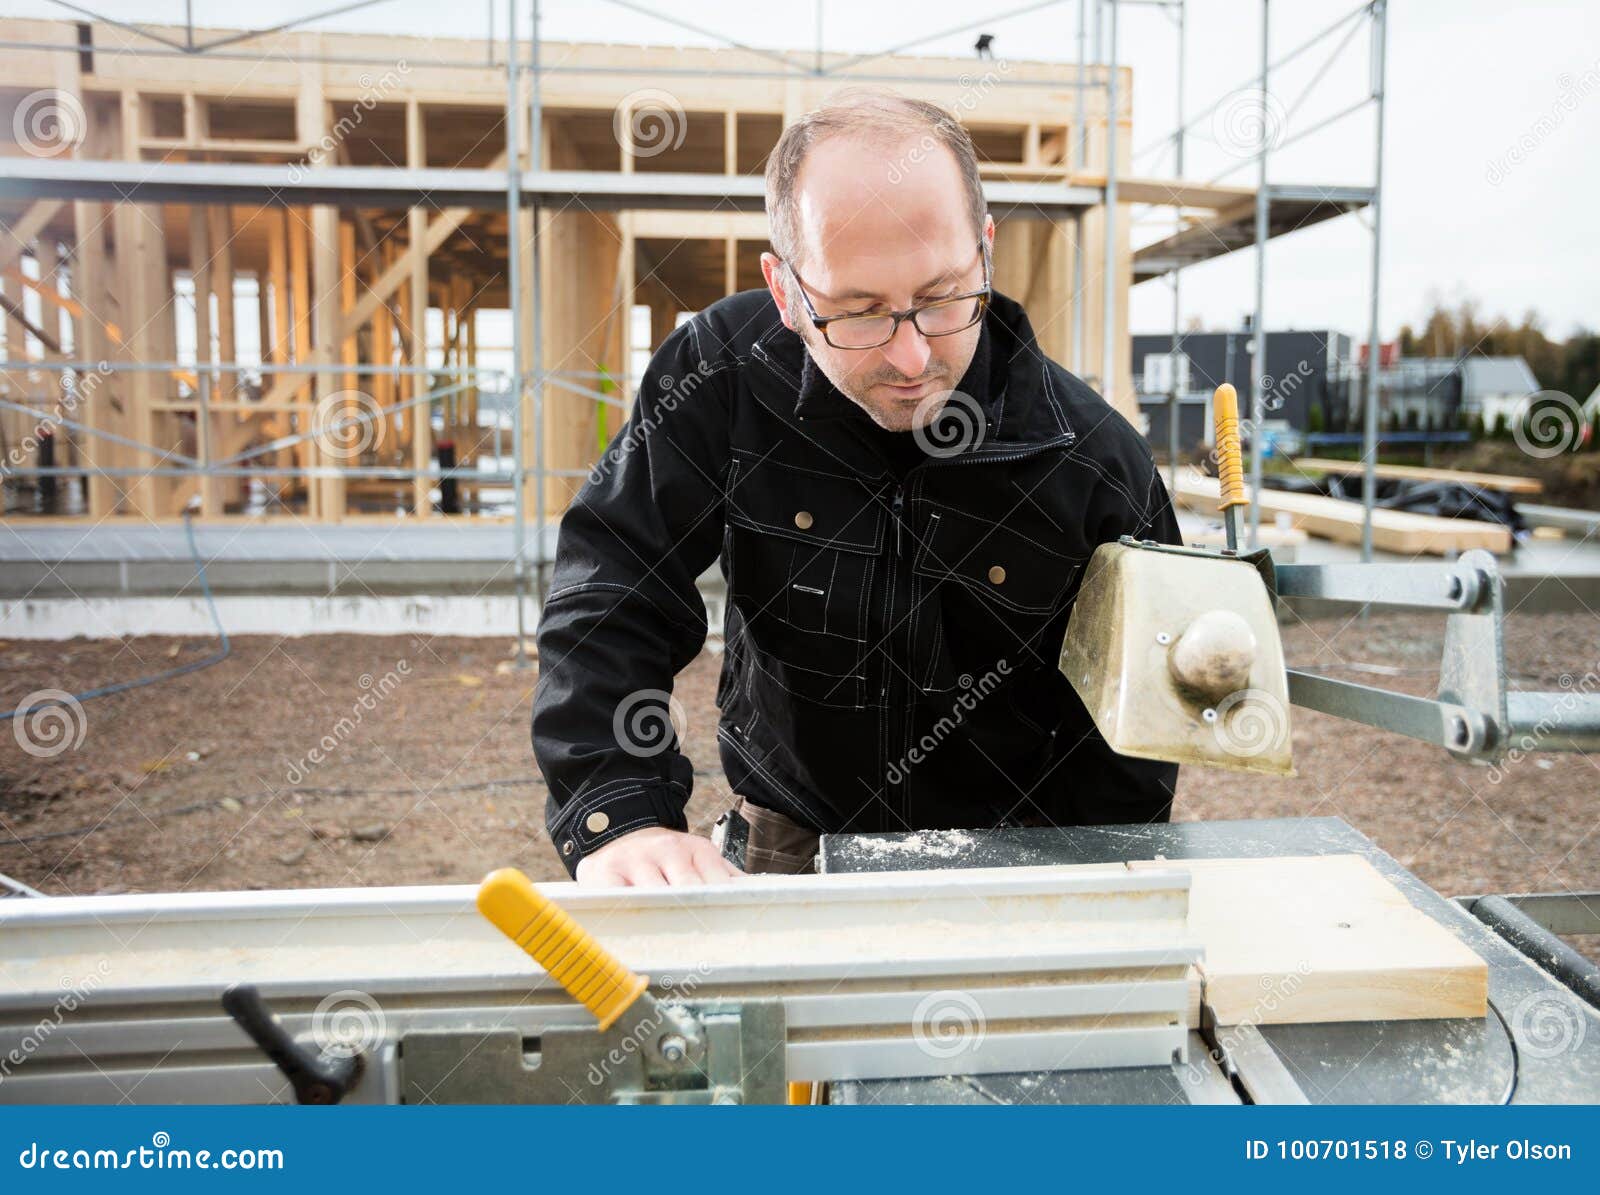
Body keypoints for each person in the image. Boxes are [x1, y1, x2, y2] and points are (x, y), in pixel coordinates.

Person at [532, 87, 1182, 887]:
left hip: (1016, 865)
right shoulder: (721, 375)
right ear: (786, 294)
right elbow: (616, 580)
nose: (912, 359)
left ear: (985, 248)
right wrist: (618, 812)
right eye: (859, 312)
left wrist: (1082, 899)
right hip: (786, 847)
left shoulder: (1094, 461)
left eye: (942, 298)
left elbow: (1132, 750)